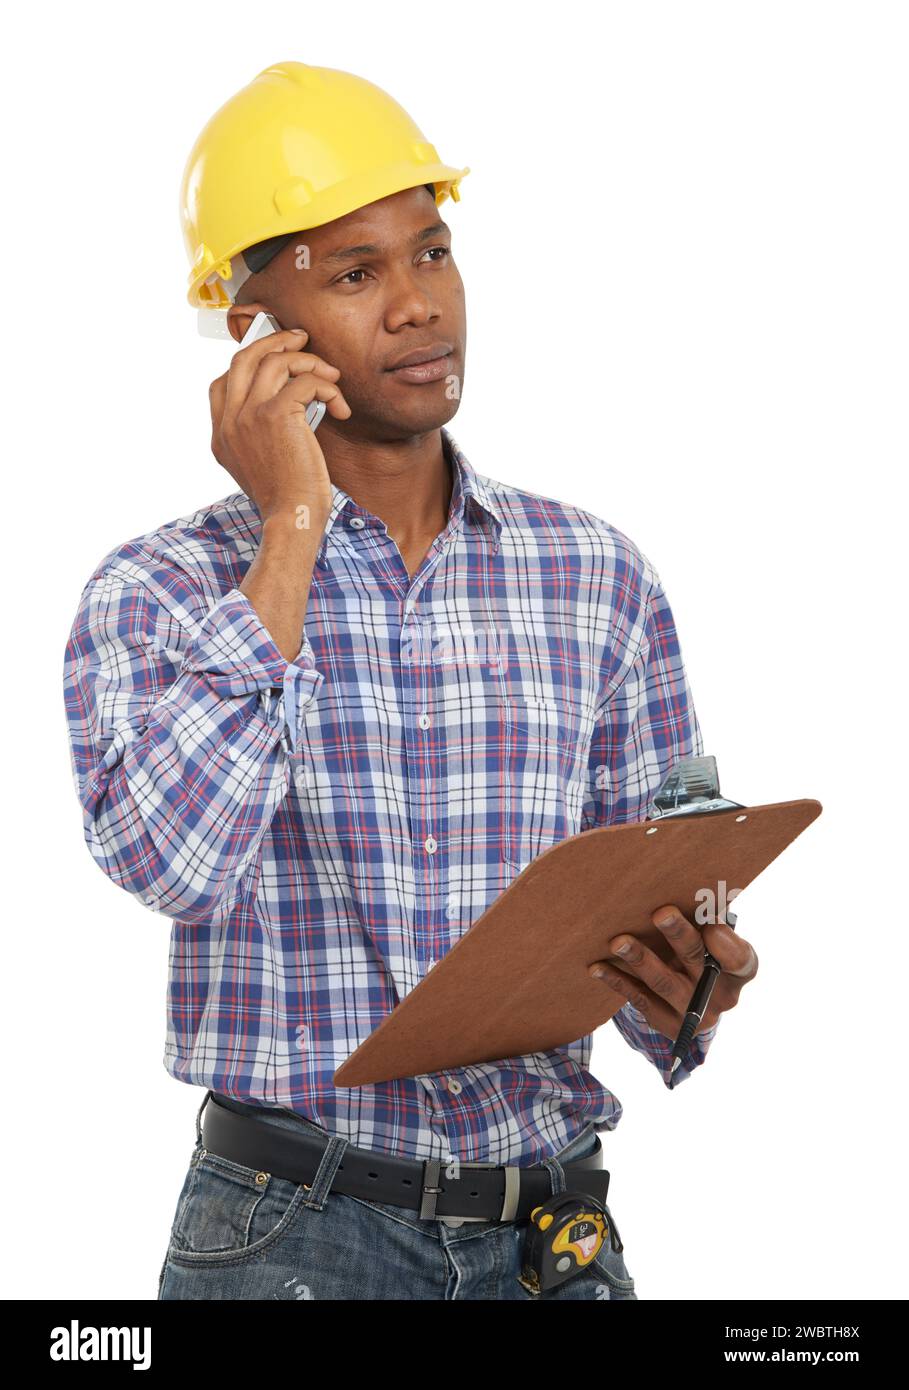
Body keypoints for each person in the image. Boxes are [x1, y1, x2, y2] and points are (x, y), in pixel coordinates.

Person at [62, 60, 758, 1301]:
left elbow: (658, 925)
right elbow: (167, 861)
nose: (418, 307)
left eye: (431, 253)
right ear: (255, 330)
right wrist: (289, 526)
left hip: (554, 1239)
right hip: (289, 1240)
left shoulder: (594, 576)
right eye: (354, 273)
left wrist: (690, 981)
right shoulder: (155, 592)